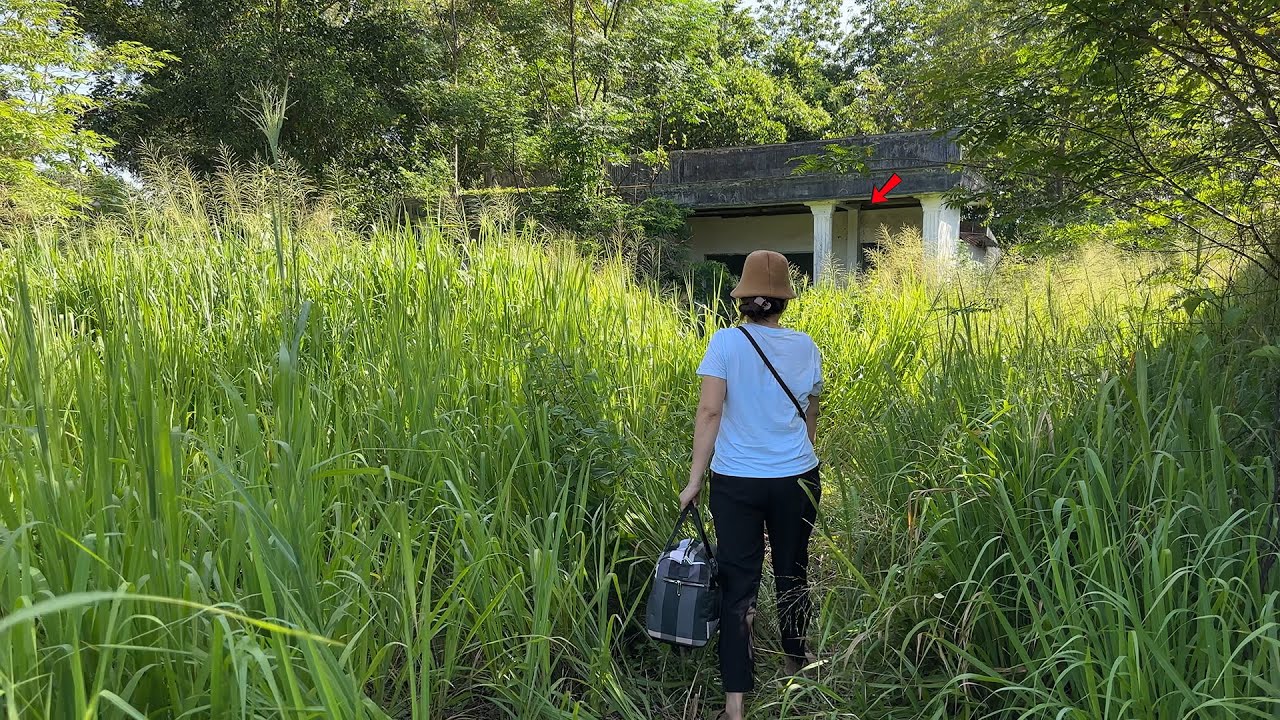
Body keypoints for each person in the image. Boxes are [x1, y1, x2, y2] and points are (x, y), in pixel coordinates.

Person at [679, 249, 823, 720]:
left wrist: (694, 480)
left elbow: (709, 412)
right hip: (796, 478)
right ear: (785, 301)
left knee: (739, 586)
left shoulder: (724, 343)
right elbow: (810, 416)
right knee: (792, 572)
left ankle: (735, 706)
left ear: (742, 297)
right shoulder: (806, 346)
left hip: (736, 481)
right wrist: (794, 456)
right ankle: (795, 668)